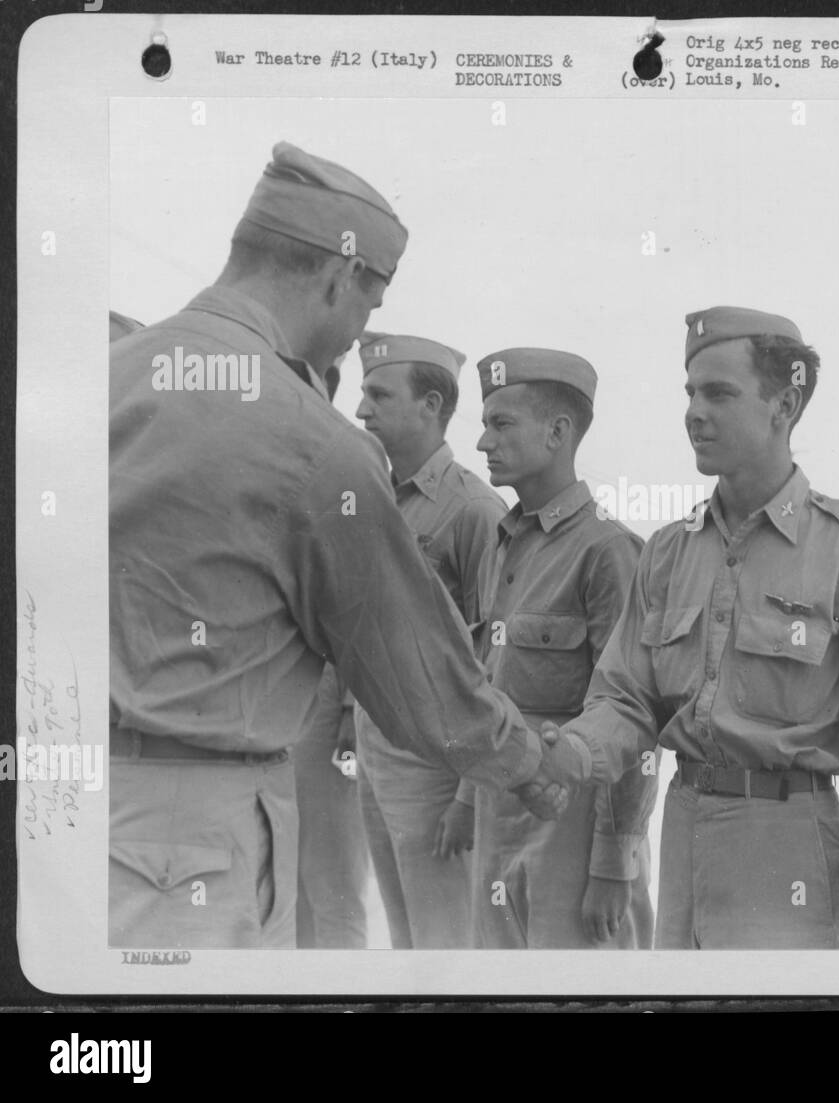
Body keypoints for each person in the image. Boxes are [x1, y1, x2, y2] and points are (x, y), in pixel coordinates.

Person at [108, 141, 583, 948]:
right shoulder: (312, 442)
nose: (354, 342)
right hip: (193, 839)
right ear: (336, 278)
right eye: (365, 308)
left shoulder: (107, 372)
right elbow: (419, 672)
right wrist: (530, 765)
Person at [546, 307, 839, 949]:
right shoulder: (669, 551)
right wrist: (572, 751)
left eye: (719, 393)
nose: (695, 411)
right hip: (685, 831)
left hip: (789, 853)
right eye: (691, 393)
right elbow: (625, 696)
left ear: (784, 404)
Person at [460, 347, 656, 948]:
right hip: (499, 819)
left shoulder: (608, 552)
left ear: (558, 431)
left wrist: (612, 863)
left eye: (501, 423)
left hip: (572, 832)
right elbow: (490, 688)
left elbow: (633, 719)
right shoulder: (504, 541)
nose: (482, 442)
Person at [350, 331, 507, 949]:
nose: (362, 410)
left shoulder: (474, 511)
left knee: (447, 949)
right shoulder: (370, 498)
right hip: (375, 754)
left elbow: (496, 660)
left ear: (433, 406)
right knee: (404, 946)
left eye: (379, 394)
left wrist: (469, 794)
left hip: (436, 767)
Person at [292, 356, 374, 950]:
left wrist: (349, 706)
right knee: (289, 868)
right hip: (276, 695)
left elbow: (360, 599)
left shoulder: (343, 465)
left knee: (335, 875)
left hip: (329, 690)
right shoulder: (277, 456)